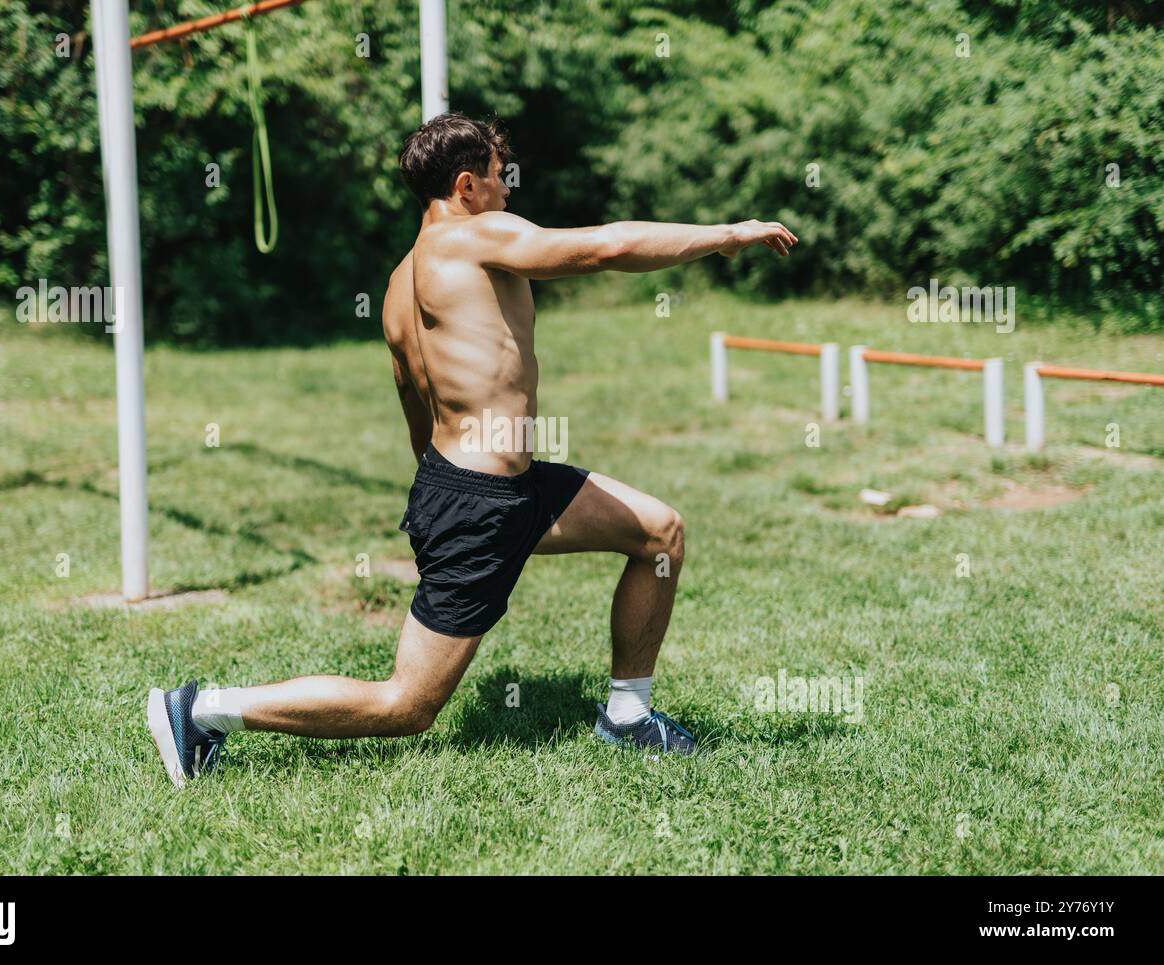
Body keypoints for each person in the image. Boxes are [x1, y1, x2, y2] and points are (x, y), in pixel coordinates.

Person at [147, 112, 797, 786]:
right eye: (499, 176)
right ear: (466, 184)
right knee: (408, 702)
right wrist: (725, 236)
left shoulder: (399, 286)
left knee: (660, 532)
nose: (507, 191)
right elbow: (605, 247)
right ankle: (201, 711)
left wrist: (435, 491)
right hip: (479, 501)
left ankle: (628, 717)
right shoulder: (474, 237)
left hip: (497, 486)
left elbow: (411, 399)